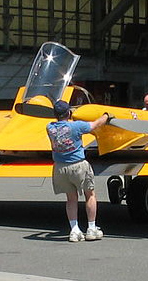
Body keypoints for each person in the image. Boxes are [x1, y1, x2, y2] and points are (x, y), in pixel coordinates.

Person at [47, 99, 112, 242]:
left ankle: (74, 230)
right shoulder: (77, 126)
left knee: (71, 199)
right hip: (78, 165)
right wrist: (106, 115)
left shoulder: (50, 127)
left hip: (60, 167)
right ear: (69, 113)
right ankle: (91, 228)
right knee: (90, 195)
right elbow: (95, 125)